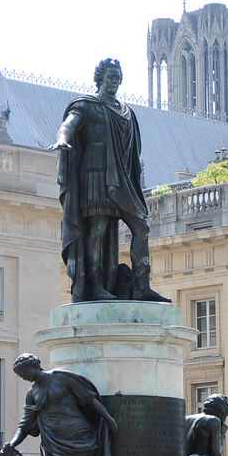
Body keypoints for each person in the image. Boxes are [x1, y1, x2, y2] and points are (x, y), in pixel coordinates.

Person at [53, 58, 170, 303]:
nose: (114, 82)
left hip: (122, 177)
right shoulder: (86, 106)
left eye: (118, 78)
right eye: (110, 78)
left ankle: (142, 284)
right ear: (100, 79)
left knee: (141, 227)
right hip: (95, 171)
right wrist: (62, 139)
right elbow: (69, 125)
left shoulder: (125, 111)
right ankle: (95, 287)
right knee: (97, 229)